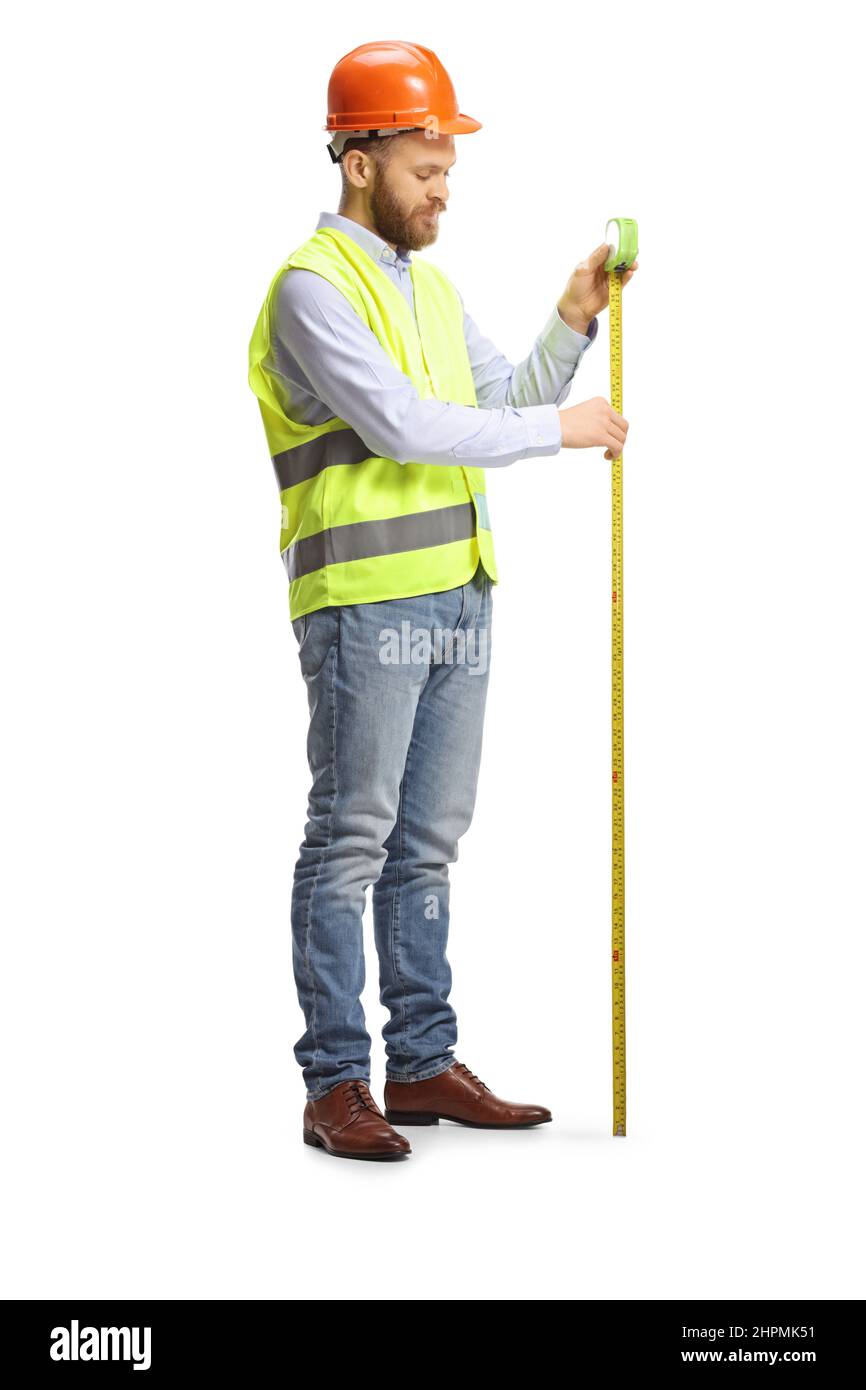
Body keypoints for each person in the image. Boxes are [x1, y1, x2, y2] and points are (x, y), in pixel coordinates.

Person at [247, 40, 636, 1162]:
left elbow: (504, 399)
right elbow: (408, 429)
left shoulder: (430, 287)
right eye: (425, 165)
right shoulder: (312, 293)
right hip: (364, 605)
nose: (442, 188)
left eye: (447, 166)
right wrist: (555, 434)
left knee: (425, 844)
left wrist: (569, 321)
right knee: (351, 838)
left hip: (459, 594)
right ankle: (335, 1084)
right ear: (358, 160)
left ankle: (418, 1064)